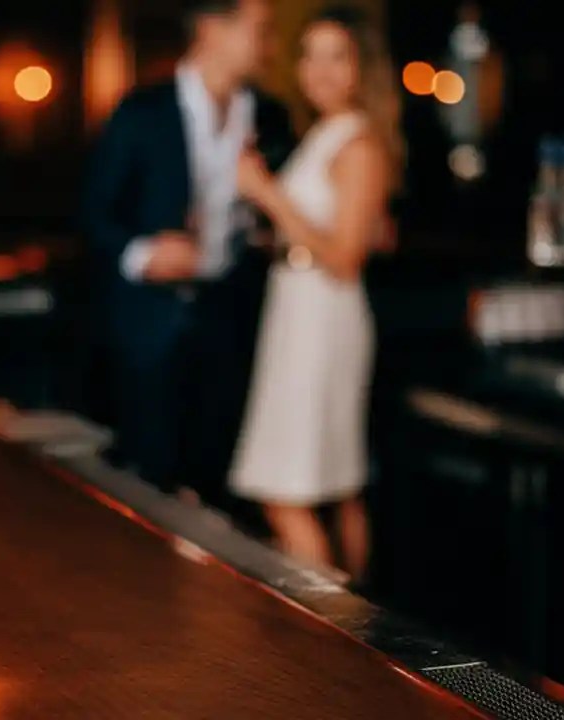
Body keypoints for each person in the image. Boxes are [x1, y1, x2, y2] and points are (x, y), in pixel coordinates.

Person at [81, 0, 296, 514]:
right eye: (258, 30)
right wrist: (143, 254)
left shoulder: (270, 115)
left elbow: (285, 205)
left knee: (226, 488)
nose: (269, 45)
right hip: (152, 324)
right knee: (149, 487)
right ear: (211, 28)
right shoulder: (141, 112)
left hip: (237, 320)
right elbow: (93, 214)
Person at [230, 4, 401, 581]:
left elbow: (344, 258)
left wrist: (266, 192)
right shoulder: (325, 134)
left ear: (361, 68)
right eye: (309, 55)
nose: (319, 70)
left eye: (336, 56)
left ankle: (335, 638)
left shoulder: (358, 144)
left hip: (322, 316)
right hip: (299, 307)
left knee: (287, 491)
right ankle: (367, 635)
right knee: (338, 485)